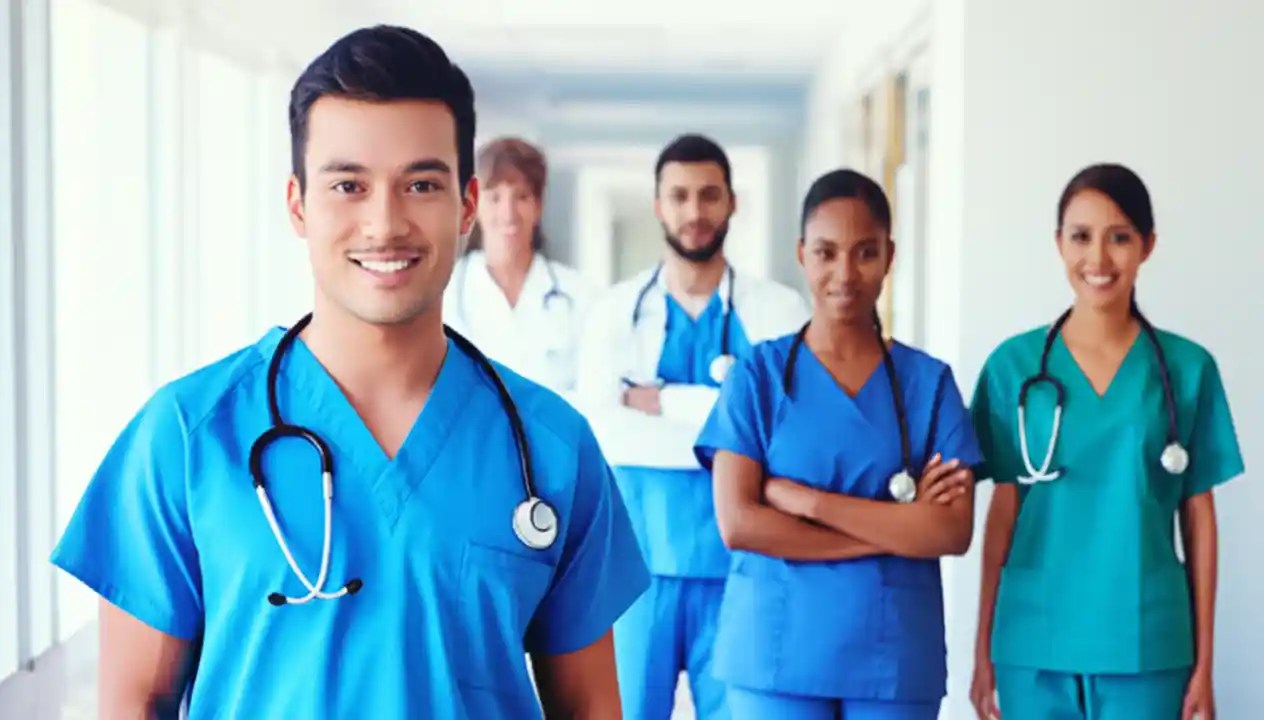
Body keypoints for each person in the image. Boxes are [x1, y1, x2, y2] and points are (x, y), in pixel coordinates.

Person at [49, 25, 649, 720]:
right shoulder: (187, 435)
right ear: (299, 204)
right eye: (348, 185)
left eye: (420, 183)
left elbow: (592, 709)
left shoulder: (551, 446)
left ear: (465, 207)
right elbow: (134, 701)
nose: (384, 222)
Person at [693, 168, 982, 719]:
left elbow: (949, 528)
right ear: (802, 254)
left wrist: (809, 503)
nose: (844, 273)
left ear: (890, 255)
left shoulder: (929, 384)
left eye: (865, 252)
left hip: (892, 657)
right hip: (772, 656)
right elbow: (739, 523)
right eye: (826, 252)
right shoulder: (757, 376)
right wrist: (890, 531)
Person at [968, 163, 1245, 720]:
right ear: (1058, 244)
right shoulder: (1013, 367)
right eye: (1081, 237)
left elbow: (1200, 519)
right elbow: (1003, 511)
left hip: (1145, 641)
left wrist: (1205, 662)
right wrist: (981, 650)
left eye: (1119, 237)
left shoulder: (1188, 370)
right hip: (1034, 640)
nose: (1098, 259)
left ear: (1147, 246)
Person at [575, 134, 809, 718]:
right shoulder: (613, 313)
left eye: (709, 195)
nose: (695, 211)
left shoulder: (778, 312)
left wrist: (660, 401)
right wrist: (724, 415)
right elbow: (606, 431)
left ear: (732, 203)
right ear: (658, 205)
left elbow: (784, 431)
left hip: (742, 569)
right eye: (679, 196)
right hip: (636, 572)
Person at [443, 136, 595, 399]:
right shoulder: (444, 292)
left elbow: (594, 397)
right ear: (473, 206)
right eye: (494, 198)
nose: (508, 213)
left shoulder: (581, 296)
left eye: (521, 197)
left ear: (539, 206)